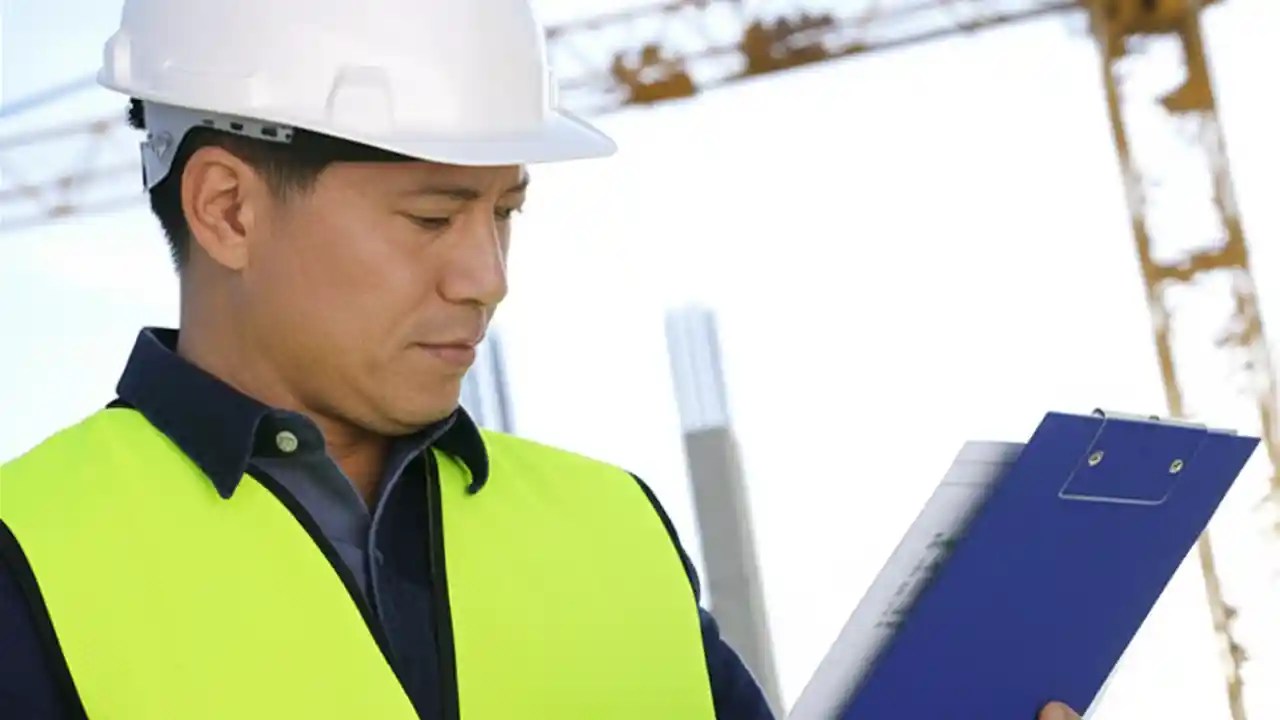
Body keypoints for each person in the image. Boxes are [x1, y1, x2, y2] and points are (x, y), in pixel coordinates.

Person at [0, 1, 1085, 718]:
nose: (485, 276)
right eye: (431, 218)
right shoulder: (26, 565)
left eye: (504, 214)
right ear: (228, 208)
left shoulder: (612, 529)